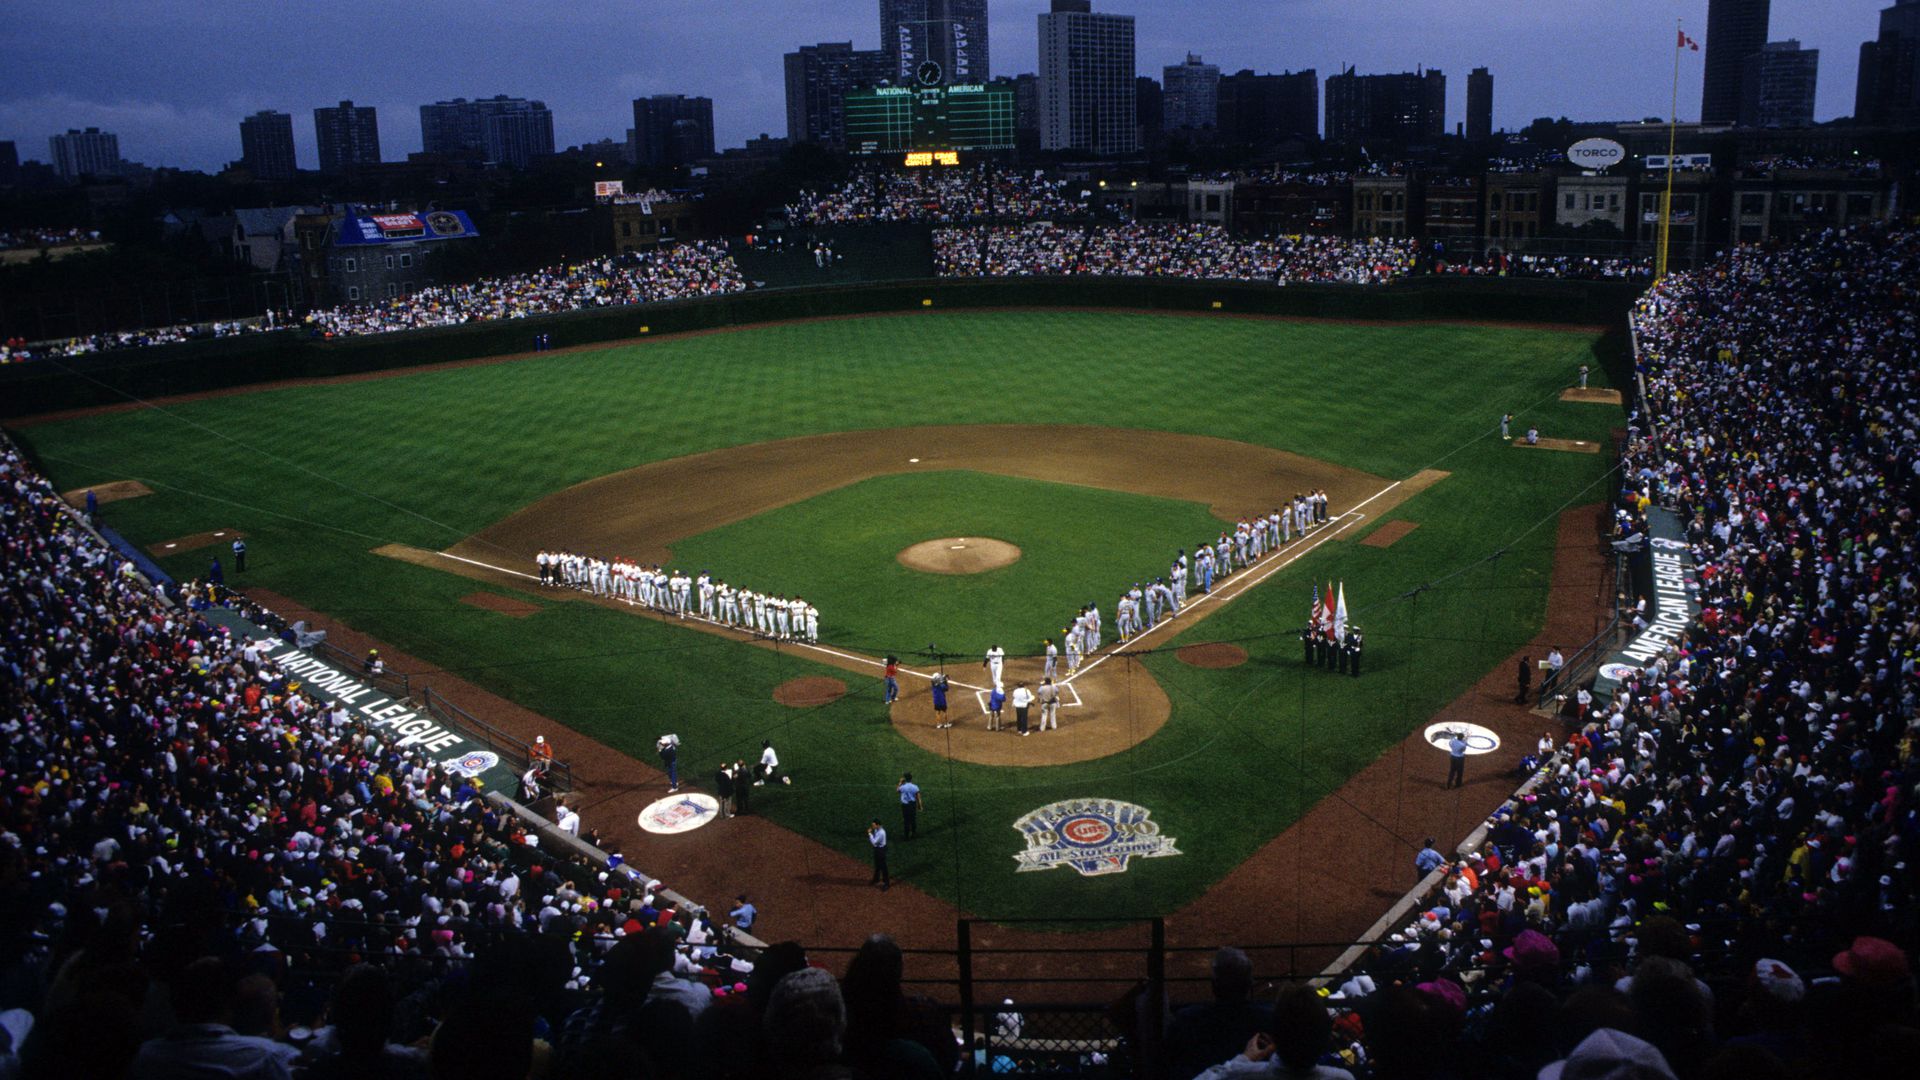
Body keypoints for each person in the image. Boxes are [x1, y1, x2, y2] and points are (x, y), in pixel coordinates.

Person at [897, 773, 921, 839]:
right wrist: (919, 806)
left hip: (905, 806)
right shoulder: (915, 786)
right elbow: (918, 797)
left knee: (906, 820)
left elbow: (897, 790)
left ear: (905, 779)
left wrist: (900, 783)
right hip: (913, 805)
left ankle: (906, 836)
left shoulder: (903, 787)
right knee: (913, 820)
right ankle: (913, 834)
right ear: (911, 778)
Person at [868, 820, 890, 890]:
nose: (872, 826)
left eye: (873, 825)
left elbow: (874, 842)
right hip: (877, 849)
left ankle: (886, 883)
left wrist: (869, 834)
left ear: (878, 825)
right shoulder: (876, 830)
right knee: (877, 865)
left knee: (883, 867)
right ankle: (876, 879)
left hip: (881, 850)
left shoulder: (881, 833)